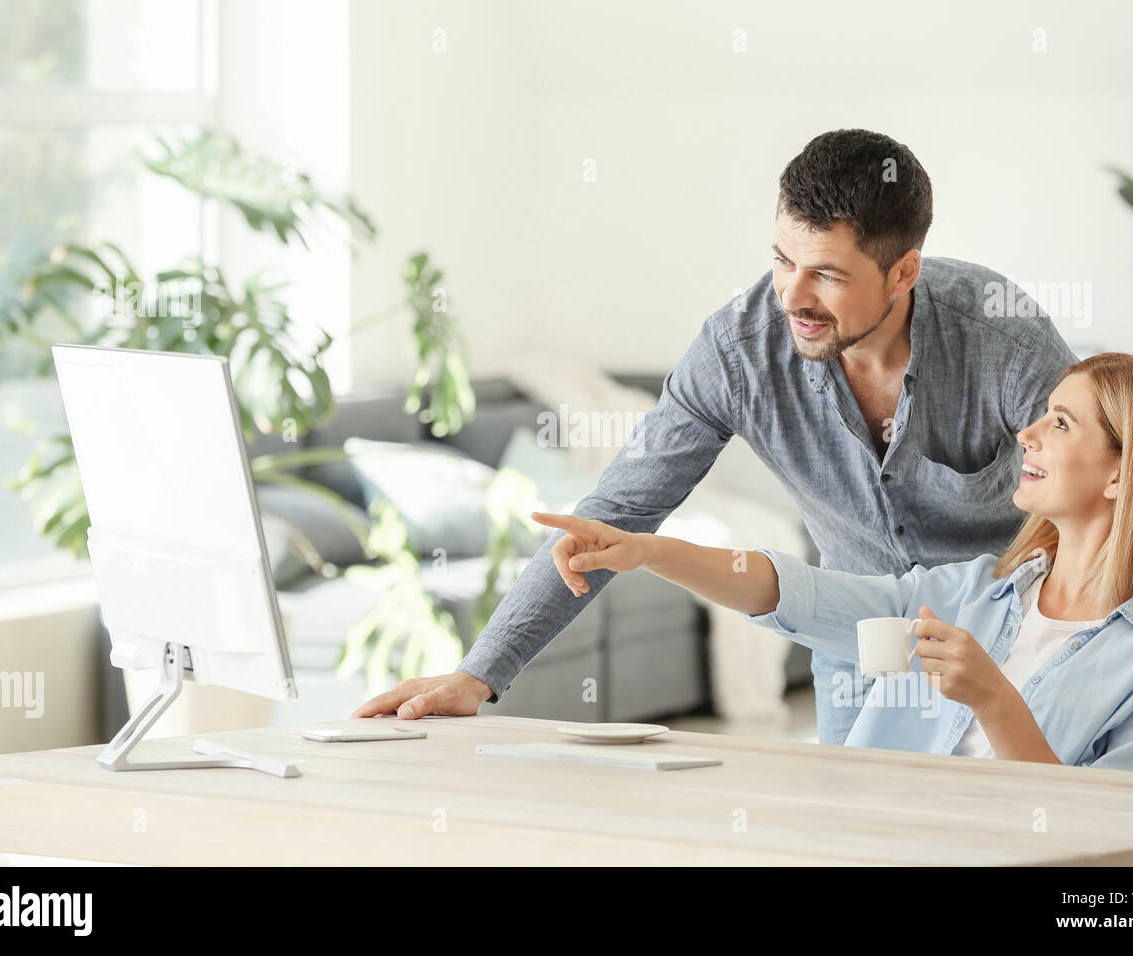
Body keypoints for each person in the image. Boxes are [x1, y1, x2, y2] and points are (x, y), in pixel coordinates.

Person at [352, 128, 1077, 743]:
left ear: (903, 272)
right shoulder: (739, 352)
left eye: (825, 274)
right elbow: (614, 516)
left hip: (1013, 647)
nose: (792, 297)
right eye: (782, 260)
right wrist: (478, 675)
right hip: (858, 649)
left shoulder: (1001, 338)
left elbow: (1110, 492)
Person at [528, 354, 1133, 776]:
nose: (1028, 433)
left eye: (1061, 422)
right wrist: (651, 549)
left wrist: (994, 700)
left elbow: (1123, 852)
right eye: (1042, 413)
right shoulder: (974, 593)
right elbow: (800, 594)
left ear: (1122, 473)